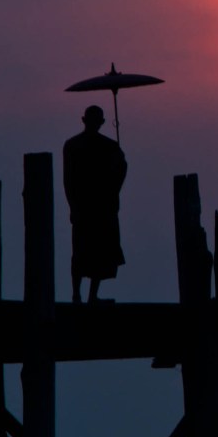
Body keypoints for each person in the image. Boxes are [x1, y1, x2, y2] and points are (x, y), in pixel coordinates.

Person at [63, 105, 127, 303]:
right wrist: (73, 206)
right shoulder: (102, 146)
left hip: (98, 207)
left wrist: (120, 159)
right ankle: (79, 294)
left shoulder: (106, 147)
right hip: (90, 207)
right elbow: (69, 179)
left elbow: (120, 171)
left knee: (97, 251)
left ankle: (87, 295)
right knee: (83, 251)